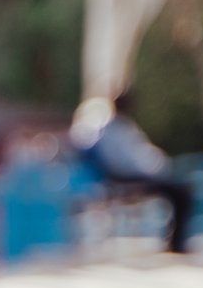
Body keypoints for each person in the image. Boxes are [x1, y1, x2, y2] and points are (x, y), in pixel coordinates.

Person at [70, 91, 194, 254]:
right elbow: (125, 162)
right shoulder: (108, 128)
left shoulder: (120, 126)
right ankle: (176, 244)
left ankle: (175, 242)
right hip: (125, 179)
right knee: (181, 194)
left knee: (181, 191)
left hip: (134, 176)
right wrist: (155, 170)